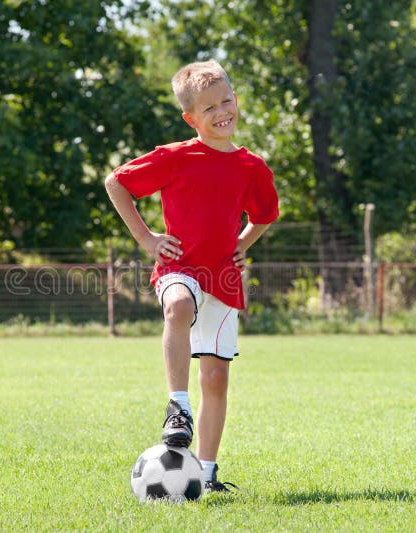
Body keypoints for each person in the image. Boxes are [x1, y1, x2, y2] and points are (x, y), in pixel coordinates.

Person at [104, 60, 279, 493]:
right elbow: (116, 183)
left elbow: (265, 214)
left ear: (236, 101)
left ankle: (207, 472)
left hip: (223, 278)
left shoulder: (251, 166)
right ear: (191, 118)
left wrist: (243, 244)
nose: (221, 111)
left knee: (216, 377)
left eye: (226, 101)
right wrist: (146, 238)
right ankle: (176, 407)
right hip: (179, 267)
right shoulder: (175, 157)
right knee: (179, 305)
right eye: (208, 107)